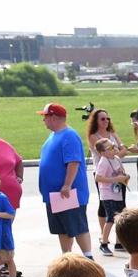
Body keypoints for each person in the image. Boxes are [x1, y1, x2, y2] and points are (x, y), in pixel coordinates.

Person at [38, 103, 95, 257]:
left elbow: (73, 161)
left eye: (45, 117)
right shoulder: (54, 135)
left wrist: (67, 184)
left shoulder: (69, 135)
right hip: (56, 194)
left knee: (77, 225)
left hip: (68, 193)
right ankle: (67, 257)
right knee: (62, 228)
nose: (43, 120)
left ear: (54, 117)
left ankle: (88, 257)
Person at [93, 139, 129, 256]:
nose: (114, 149)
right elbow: (98, 178)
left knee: (121, 217)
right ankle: (104, 243)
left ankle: (119, 243)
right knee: (111, 218)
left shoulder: (117, 159)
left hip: (117, 192)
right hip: (107, 194)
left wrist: (125, 177)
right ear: (102, 153)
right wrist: (114, 179)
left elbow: (121, 173)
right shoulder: (103, 162)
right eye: (110, 148)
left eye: (113, 146)